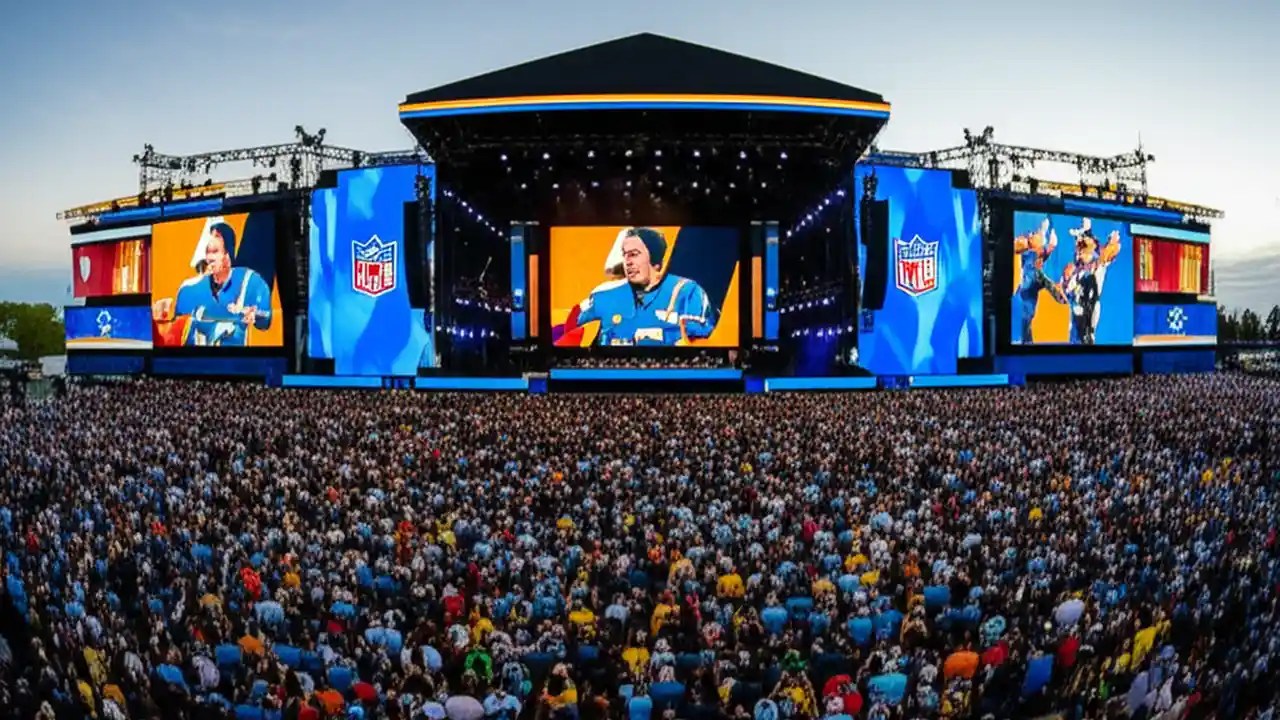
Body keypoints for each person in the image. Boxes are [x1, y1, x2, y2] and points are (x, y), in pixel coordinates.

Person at [561, 227, 716, 346]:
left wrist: (660, 335)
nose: (628, 261)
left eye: (634, 254)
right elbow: (571, 327)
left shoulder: (688, 292)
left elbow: (703, 334)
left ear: (655, 260)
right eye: (625, 254)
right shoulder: (603, 296)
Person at [152, 220, 272, 346]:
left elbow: (265, 319)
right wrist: (159, 324)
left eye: (214, 252)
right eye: (207, 252)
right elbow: (175, 338)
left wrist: (255, 313)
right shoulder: (188, 290)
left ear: (228, 255)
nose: (209, 259)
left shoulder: (250, 282)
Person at [1012, 217, 1065, 344]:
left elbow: (1059, 296)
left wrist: (1049, 246)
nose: (1029, 234)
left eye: (1033, 234)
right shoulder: (1027, 258)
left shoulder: (1035, 271)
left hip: (1021, 321)